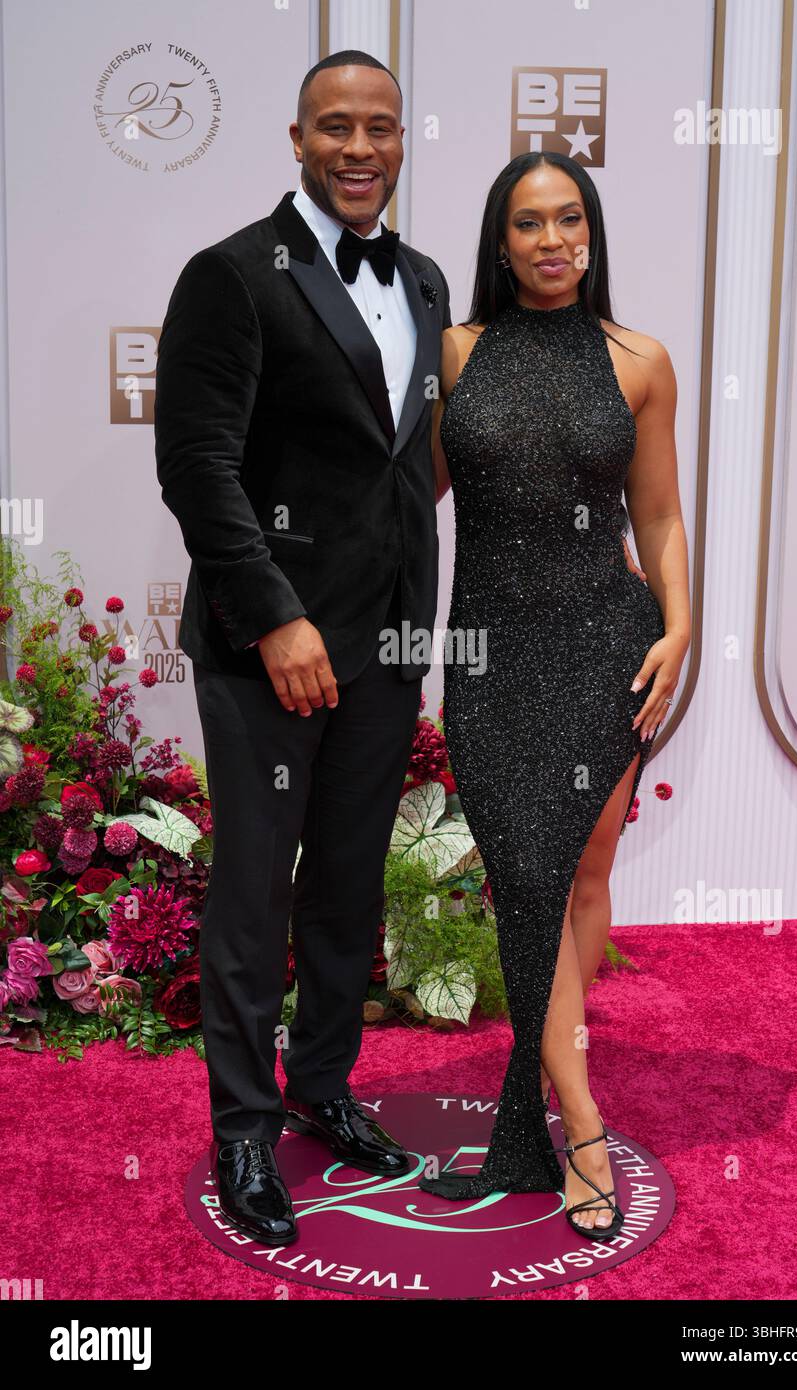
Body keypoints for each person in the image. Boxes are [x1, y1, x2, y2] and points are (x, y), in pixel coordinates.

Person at [154, 51, 453, 1246]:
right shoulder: (232, 275)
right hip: (264, 644)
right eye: (335, 127)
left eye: (379, 128)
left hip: (381, 642)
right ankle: (243, 1124)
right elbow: (196, 464)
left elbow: (410, 463)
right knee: (253, 892)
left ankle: (324, 1086)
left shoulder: (425, 281)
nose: (359, 149)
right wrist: (277, 615)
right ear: (294, 138)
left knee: (346, 883)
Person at [417, 151, 691, 1239]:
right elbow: (414, 489)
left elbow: (659, 515)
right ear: (498, 241)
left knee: (580, 876)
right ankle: (580, 1123)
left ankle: (534, 1121)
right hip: (489, 652)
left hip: (603, 644)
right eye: (527, 223)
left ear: (591, 232)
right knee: (522, 878)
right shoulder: (455, 353)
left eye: (567, 219)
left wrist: (675, 626)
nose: (550, 240)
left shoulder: (639, 359)